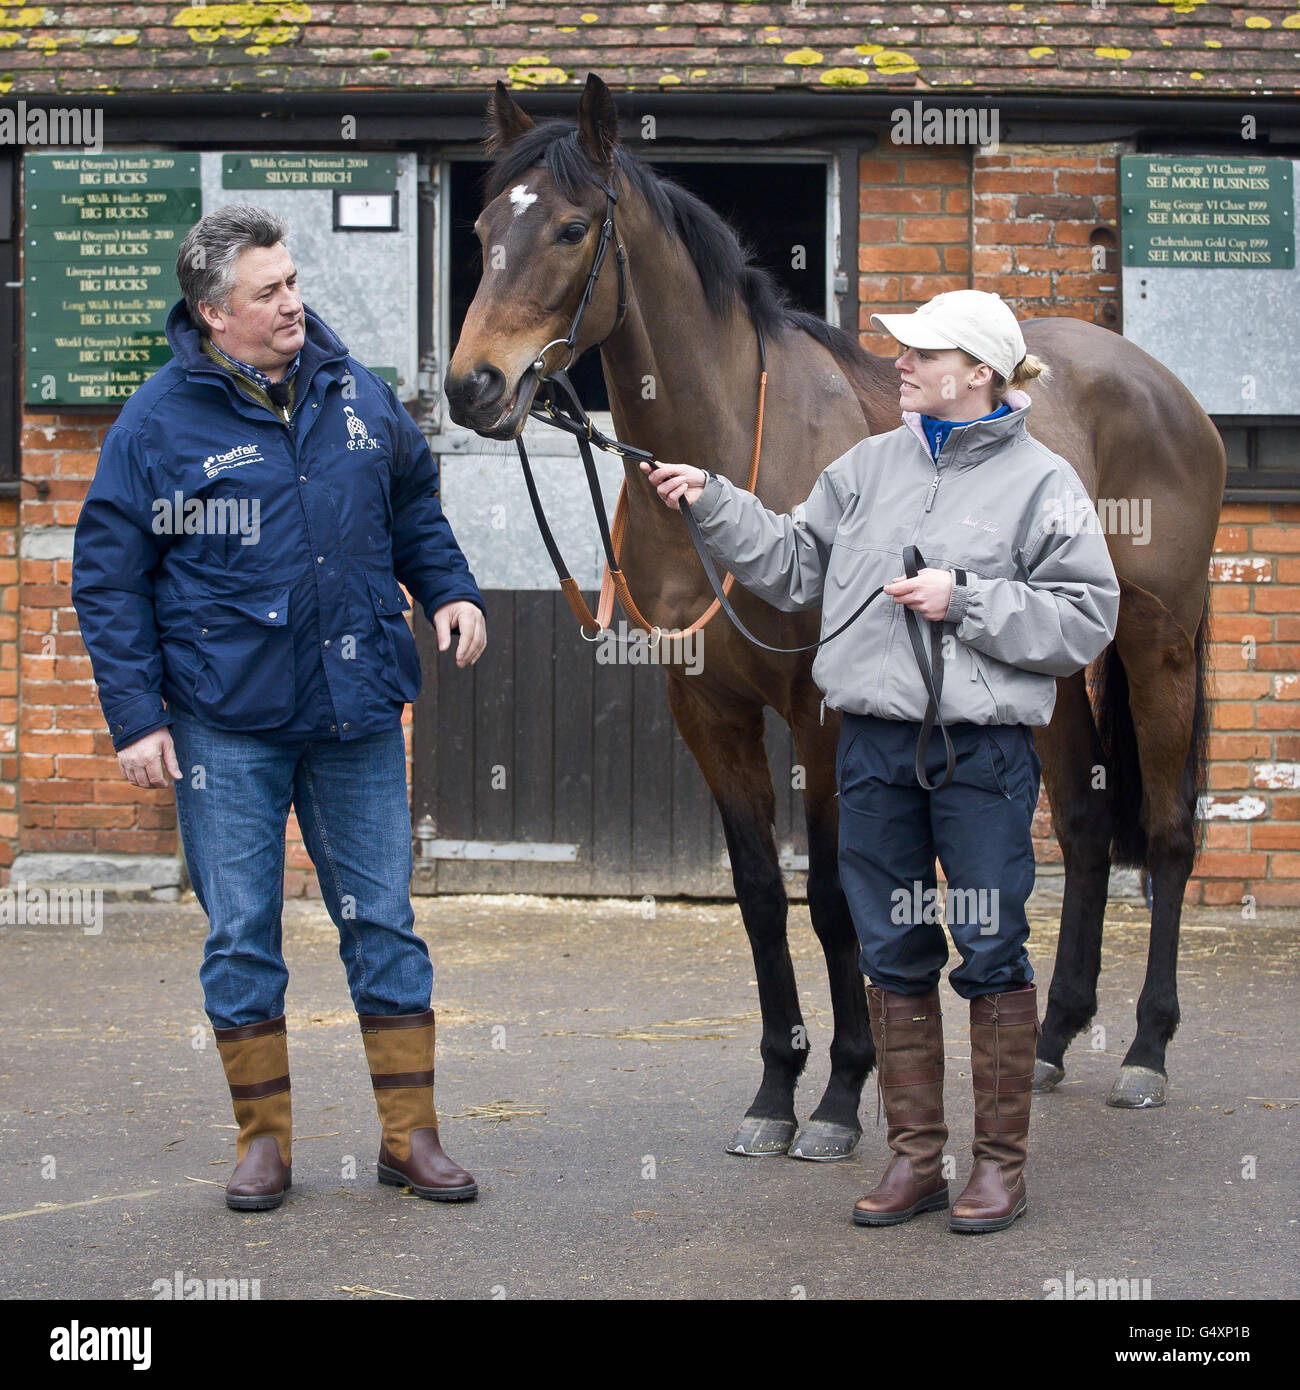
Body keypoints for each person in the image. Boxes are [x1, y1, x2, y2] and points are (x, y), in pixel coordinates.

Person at [642, 290, 1119, 1234]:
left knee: (987, 950)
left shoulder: (1044, 483)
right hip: (868, 750)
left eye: (920, 351)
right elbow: (787, 564)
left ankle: (998, 1169)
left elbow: (1083, 620)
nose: (895, 360)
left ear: (977, 371)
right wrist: (716, 499)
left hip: (978, 755)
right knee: (893, 951)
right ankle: (914, 1160)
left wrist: (965, 599)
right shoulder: (865, 467)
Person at [72, 205, 487, 1212]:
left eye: (292, 281)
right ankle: (264, 1143)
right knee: (243, 931)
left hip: (354, 712)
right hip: (226, 724)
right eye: (268, 291)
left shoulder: (356, 393)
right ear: (215, 313)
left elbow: (412, 507)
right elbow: (107, 577)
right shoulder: (158, 422)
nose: (293, 301)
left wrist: (451, 589)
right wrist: (137, 719)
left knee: (383, 919)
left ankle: (410, 1137)